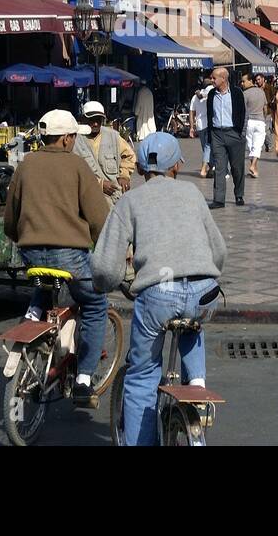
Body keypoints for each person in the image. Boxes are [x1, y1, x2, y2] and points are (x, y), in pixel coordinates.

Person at [92, 132, 227, 445]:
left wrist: (104, 284)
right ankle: (196, 387)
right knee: (194, 323)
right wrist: (203, 274)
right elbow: (218, 251)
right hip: (204, 292)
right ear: (177, 165)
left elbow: (106, 266)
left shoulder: (130, 201)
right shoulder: (193, 193)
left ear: (140, 169)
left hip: (158, 295)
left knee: (141, 377)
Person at [2, 109, 110, 408]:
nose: (75, 141)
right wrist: (109, 249)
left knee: (47, 280)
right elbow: (99, 218)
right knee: (95, 303)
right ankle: (84, 380)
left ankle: (34, 314)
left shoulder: (26, 164)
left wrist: (22, 238)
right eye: (74, 136)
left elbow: (10, 218)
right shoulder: (77, 166)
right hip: (70, 256)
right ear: (64, 138)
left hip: (30, 252)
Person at [73, 101, 136, 211]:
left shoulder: (113, 136)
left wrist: (124, 175)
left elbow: (129, 156)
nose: (95, 124)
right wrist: (100, 184)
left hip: (114, 196)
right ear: (83, 119)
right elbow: (72, 173)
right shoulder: (74, 140)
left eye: (98, 120)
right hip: (87, 197)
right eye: (91, 120)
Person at [204, 67, 248, 209]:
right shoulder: (211, 94)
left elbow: (244, 113)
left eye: (214, 78)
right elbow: (209, 114)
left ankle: (239, 194)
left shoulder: (236, 93)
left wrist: (241, 134)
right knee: (219, 168)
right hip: (217, 134)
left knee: (237, 167)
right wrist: (210, 134)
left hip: (234, 133)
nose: (212, 80)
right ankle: (219, 199)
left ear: (223, 78)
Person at [240, 74, 267, 179]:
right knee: (257, 146)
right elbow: (265, 107)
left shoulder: (244, 94)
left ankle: (253, 168)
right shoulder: (261, 92)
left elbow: (242, 110)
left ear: (250, 81)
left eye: (243, 81)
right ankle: (254, 168)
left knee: (251, 146)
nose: (242, 84)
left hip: (249, 122)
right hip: (260, 122)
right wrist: (264, 118)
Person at [188, 84, 212, 177]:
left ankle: (211, 166)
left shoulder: (195, 97)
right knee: (208, 147)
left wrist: (191, 127)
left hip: (200, 126)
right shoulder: (210, 94)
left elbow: (191, 113)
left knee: (206, 148)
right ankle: (203, 169)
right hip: (209, 124)